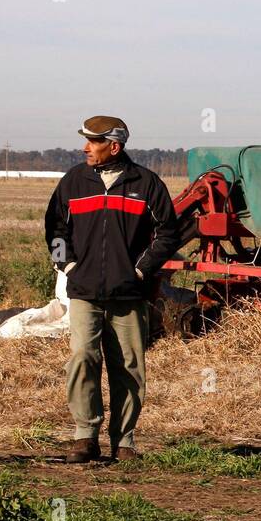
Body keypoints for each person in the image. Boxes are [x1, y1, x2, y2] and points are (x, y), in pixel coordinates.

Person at [44, 115, 181, 463]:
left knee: (129, 366)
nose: (85, 148)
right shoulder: (74, 181)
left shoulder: (146, 184)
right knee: (83, 359)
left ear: (114, 146)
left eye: (92, 142)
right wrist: (69, 265)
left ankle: (124, 441)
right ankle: (84, 436)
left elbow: (168, 234)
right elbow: (55, 229)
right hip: (84, 292)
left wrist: (140, 270)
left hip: (129, 294)